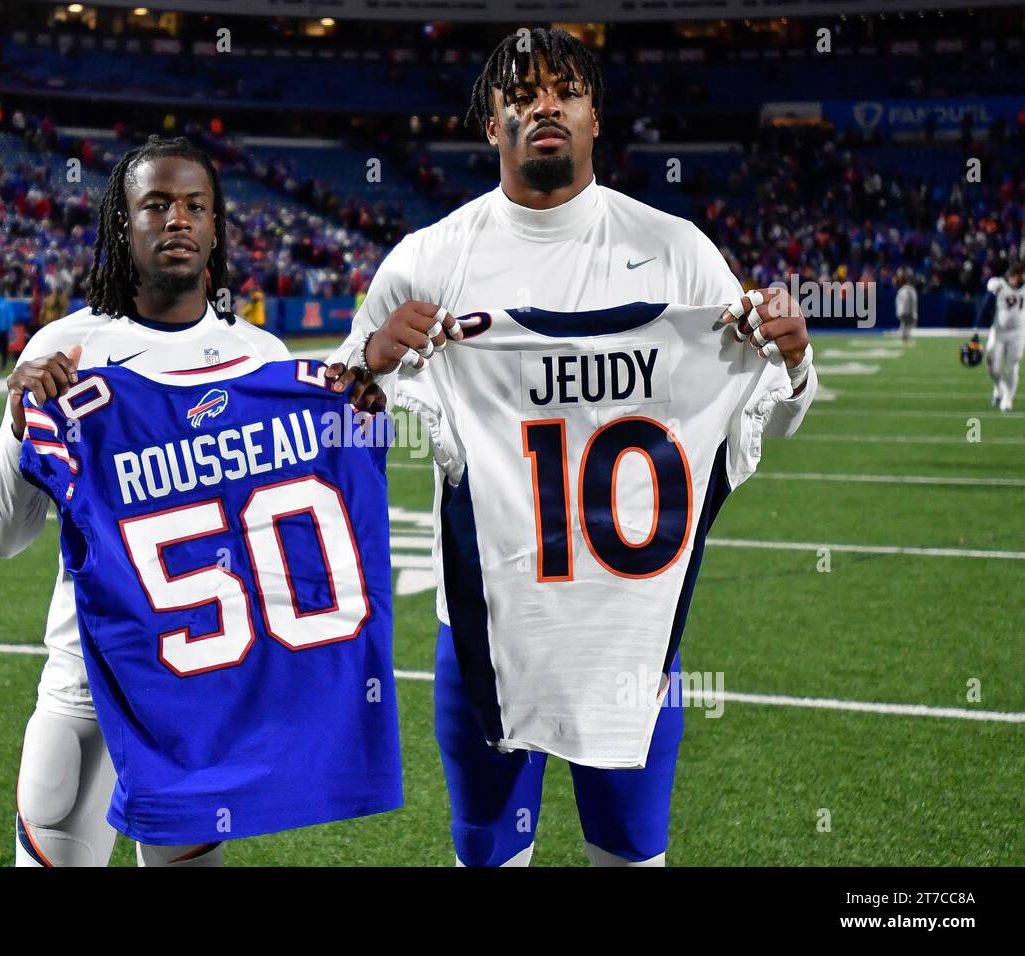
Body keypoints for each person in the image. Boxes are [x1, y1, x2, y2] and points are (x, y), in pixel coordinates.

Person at [327, 28, 816, 867]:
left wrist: (795, 358)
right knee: (489, 860)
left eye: (565, 90)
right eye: (520, 94)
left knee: (630, 859)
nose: (542, 104)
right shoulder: (428, 259)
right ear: (492, 125)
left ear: (596, 116)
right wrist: (369, 364)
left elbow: (773, 415)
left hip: (625, 634)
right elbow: (335, 425)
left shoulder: (677, 250)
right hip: (483, 629)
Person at [0, 136, 383, 868]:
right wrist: (16, 428)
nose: (177, 221)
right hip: (86, 688)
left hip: (203, 693)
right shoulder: (68, 350)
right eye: (155, 205)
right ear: (120, 224)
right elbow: (1, 537)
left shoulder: (262, 358)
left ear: (217, 226)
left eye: (195, 205)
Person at [983, 263, 1024, 412]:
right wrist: (975, 330)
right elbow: (985, 305)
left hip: (1018, 333)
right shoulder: (998, 285)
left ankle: (1007, 401)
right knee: (992, 365)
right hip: (999, 331)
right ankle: (998, 388)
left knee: (1013, 366)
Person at [895, 269, 918, 344]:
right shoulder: (905, 290)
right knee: (905, 324)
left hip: (905, 310)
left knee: (906, 324)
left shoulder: (908, 290)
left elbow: (913, 302)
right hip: (905, 310)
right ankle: (904, 337)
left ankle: (905, 337)